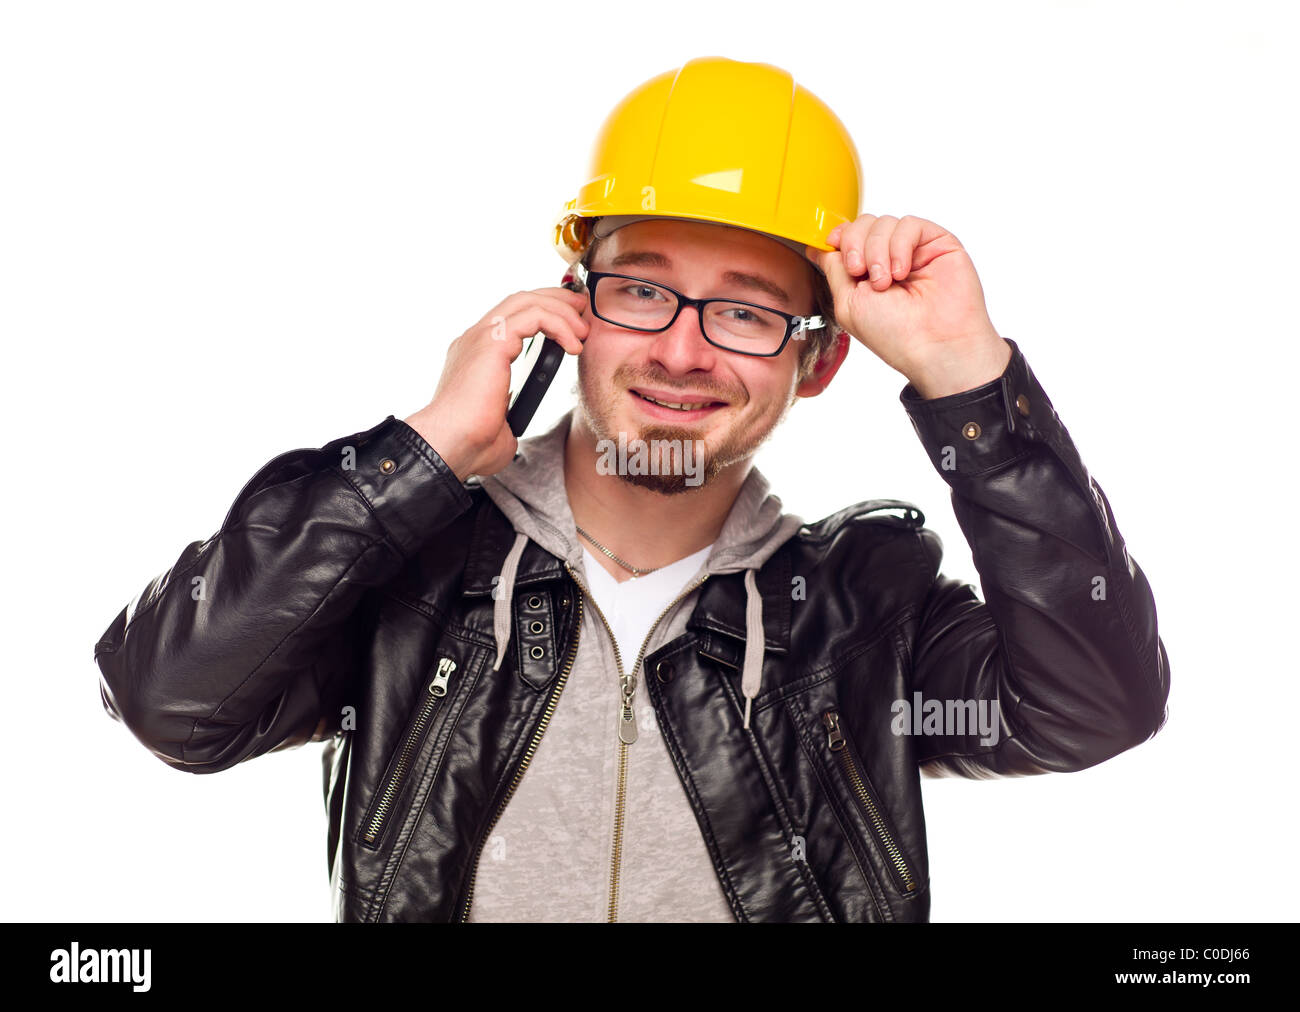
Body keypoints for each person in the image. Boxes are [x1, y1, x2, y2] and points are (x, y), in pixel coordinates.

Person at [93, 56, 1170, 922]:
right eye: (641, 289)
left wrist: (966, 379)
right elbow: (171, 699)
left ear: (820, 360)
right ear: (574, 307)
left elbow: (1094, 704)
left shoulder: (860, 618)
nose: (684, 351)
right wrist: (419, 454)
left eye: (744, 311)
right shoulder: (407, 575)